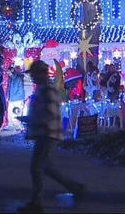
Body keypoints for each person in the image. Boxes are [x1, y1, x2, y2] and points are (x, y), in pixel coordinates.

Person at [18, 61, 84, 213]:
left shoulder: (48, 90)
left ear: (41, 74)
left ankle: (36, 203)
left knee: (37, 168)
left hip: (48, 134)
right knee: (45, 167)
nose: (33, 77)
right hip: (45, 133)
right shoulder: (42, 89)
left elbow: (50, 113)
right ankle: (75, 188)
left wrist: (32, 120)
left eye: (34, 74)